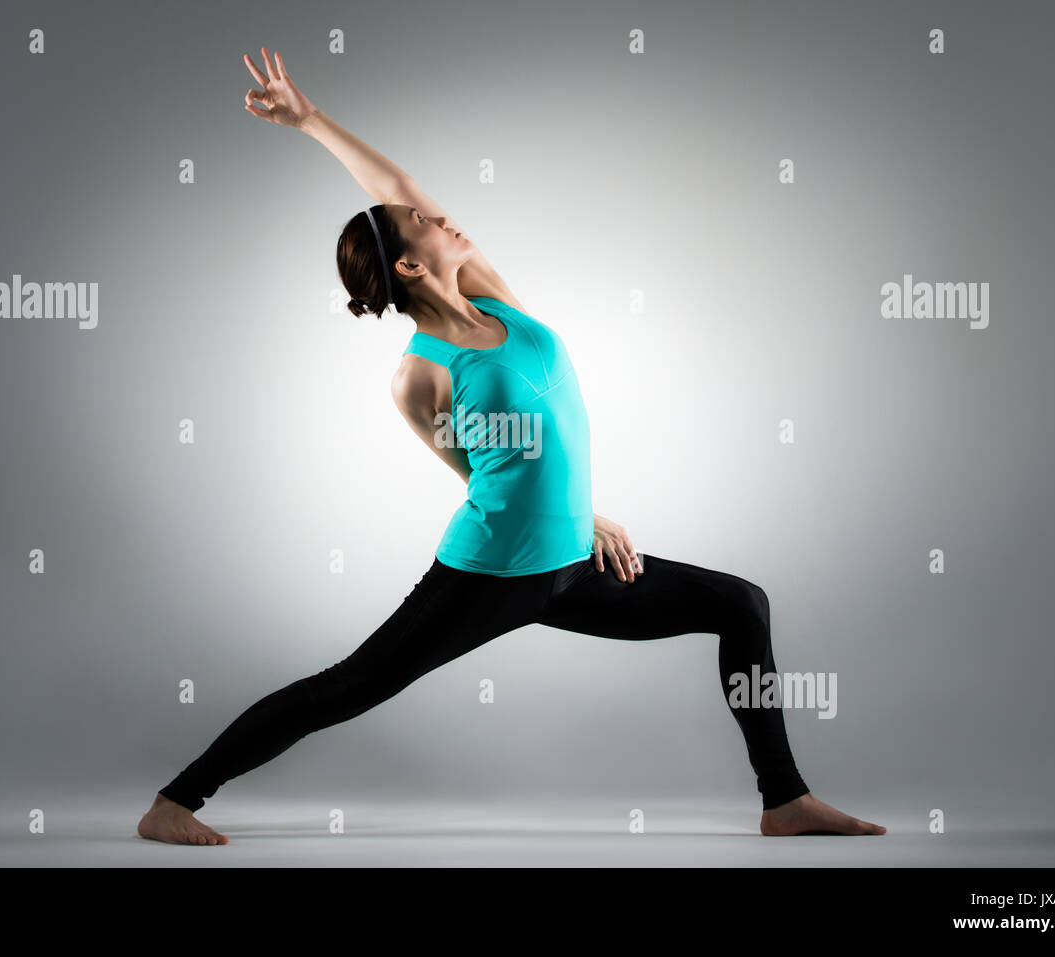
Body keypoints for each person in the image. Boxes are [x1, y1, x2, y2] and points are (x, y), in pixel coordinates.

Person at [137, 48, 886, 845]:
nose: (439, 211)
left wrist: (310, 119)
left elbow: (395, 193)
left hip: (573, 565)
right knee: (346, 688)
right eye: (424, 222)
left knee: (741, 604)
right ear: (410, 264)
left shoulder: (495, 297)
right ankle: (175, 800)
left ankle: (784, 799)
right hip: (489, 576)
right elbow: (476, 470)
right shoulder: (417, 376)